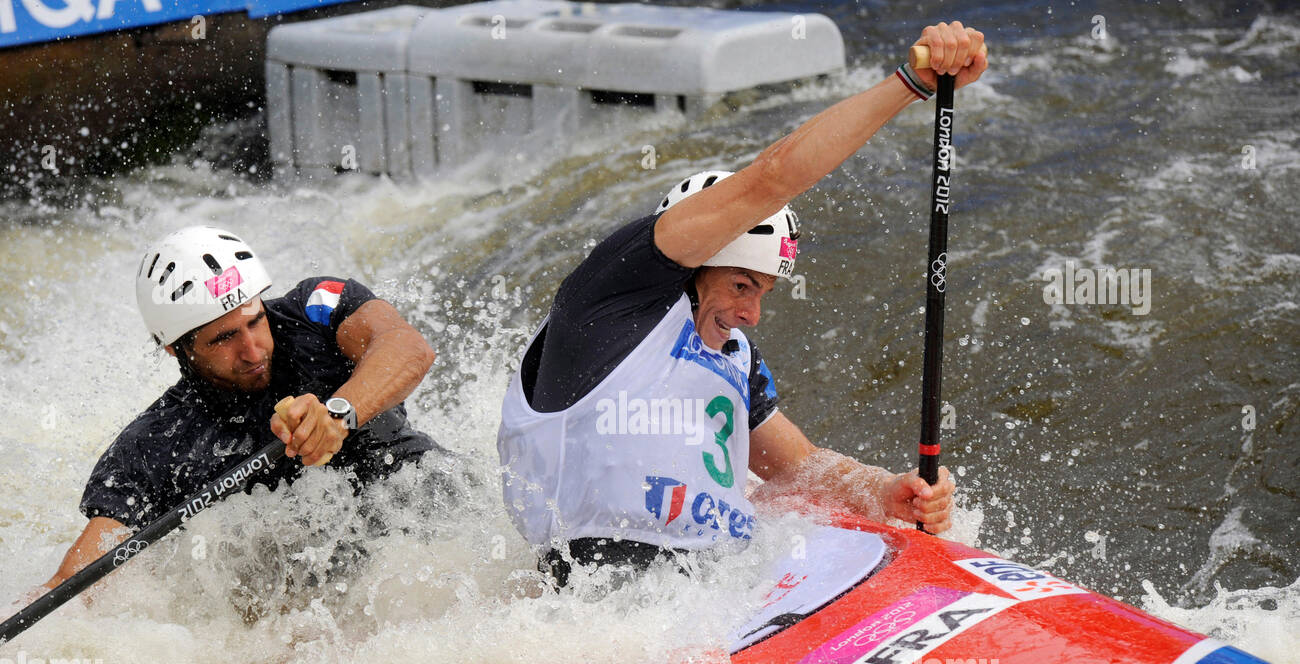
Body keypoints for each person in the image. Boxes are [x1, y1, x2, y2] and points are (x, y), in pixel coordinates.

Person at [498, 22, 985, 581]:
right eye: (739, 284)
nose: (752, 314)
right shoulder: (607, 305)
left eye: (763, 291)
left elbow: (800, 469)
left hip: (714, 589)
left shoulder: (736, 355)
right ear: (690, 267)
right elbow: (773, 177)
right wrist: (909, 84)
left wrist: (885, 491)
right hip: (595, 590)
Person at [34, 224, 443, 595]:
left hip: (432, 517)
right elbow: (74, 584)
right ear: (177, 349)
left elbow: (408, 347)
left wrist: (338, 413)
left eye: (254, 321)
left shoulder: (318, 309)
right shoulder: (152, 446)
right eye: (224, 338)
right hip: (322, 593)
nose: (251, 351)